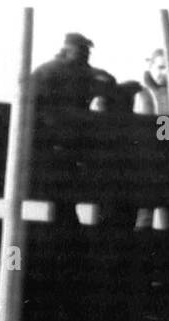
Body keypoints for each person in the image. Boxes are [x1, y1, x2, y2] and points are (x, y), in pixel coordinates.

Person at [30, 32, 119, 226]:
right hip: (84, 158)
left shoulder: (43, 73)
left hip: (53, 157)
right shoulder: (98, 78)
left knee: (63, 202)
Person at [133, 49, 169, 231]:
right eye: (161, 67)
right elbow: (159, 131)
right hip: (144, 167)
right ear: (150, 65)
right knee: (143, 217)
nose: (165, 73)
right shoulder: (140, 94)